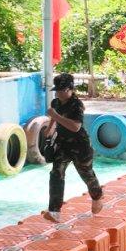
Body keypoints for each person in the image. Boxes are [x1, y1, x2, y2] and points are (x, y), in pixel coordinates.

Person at [44, 72, 104, 221]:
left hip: (80, 146)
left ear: (69, 89)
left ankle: (97, 196)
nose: (58, 93)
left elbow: (75, 127)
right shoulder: (56, 102)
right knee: (56, 173)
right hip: (63, 144)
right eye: (57, 90)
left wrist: (56, 116)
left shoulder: (77, 105)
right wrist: (49, 130)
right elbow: (53, 118)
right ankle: (54, 211)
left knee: (87, 174)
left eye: (61, 90)